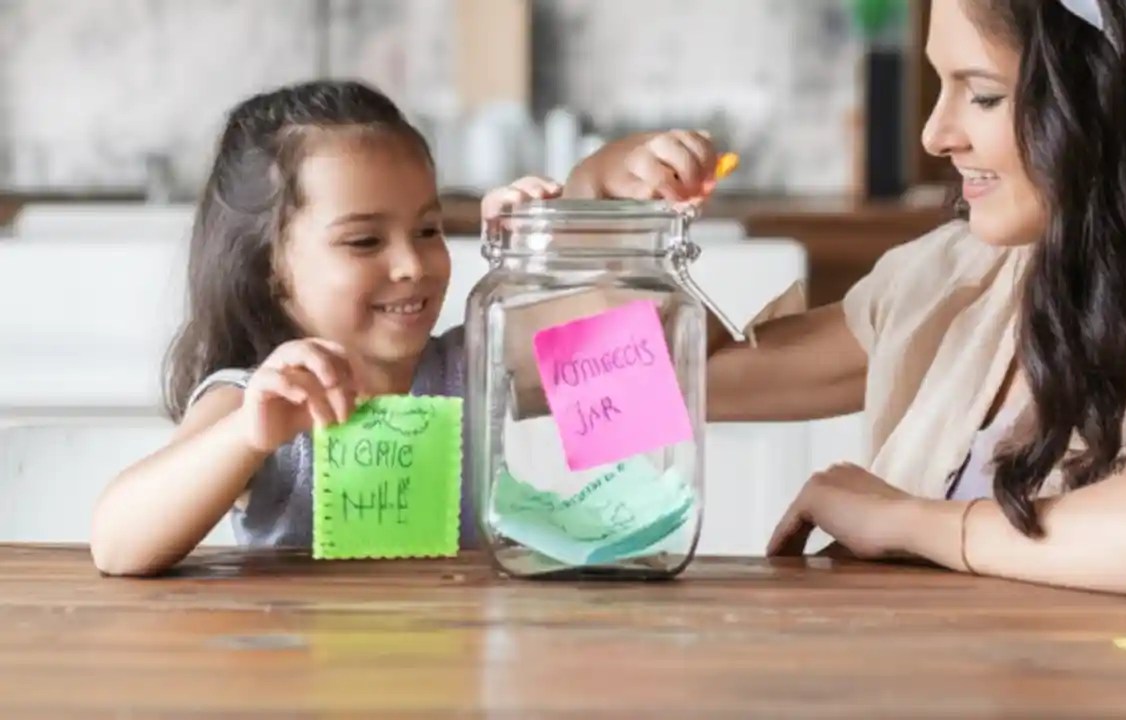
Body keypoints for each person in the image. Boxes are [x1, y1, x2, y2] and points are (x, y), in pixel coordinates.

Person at [566, 0, 1126, 603]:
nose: (935, 134)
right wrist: (597, 208)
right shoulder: (950, 277)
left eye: (984, 94)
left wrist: (911, 521)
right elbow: (624, 395)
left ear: (1113, 102)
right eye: (941, 85)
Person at [90, 80, 715, 576]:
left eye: (428, 230)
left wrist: (550, 246)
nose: (412, 265)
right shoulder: (255, 398)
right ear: (270, 270)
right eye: (364, 241)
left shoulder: (479, 362)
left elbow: (644, 328)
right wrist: (248, 436)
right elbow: (117, 545)